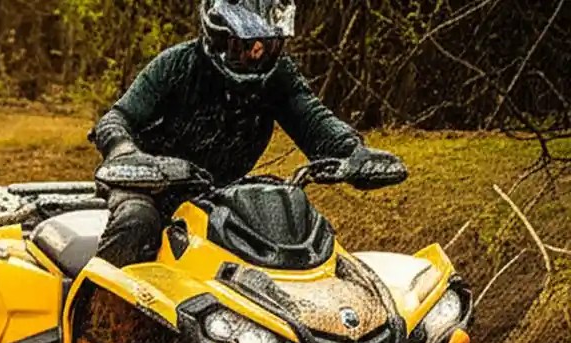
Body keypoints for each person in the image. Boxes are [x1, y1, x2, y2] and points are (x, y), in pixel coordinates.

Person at [91, 0, 407, 266]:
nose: (257, 54)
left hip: (221, 197)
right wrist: (124, 151)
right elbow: (116, 119)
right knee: (137, 221)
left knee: (289, 233)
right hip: (148, 189)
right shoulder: (176, 66)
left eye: (267, 45)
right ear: (218, 37)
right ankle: (96, 317)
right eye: (246, 45)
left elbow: (315, 121)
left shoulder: (278, 77)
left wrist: (353, 153)